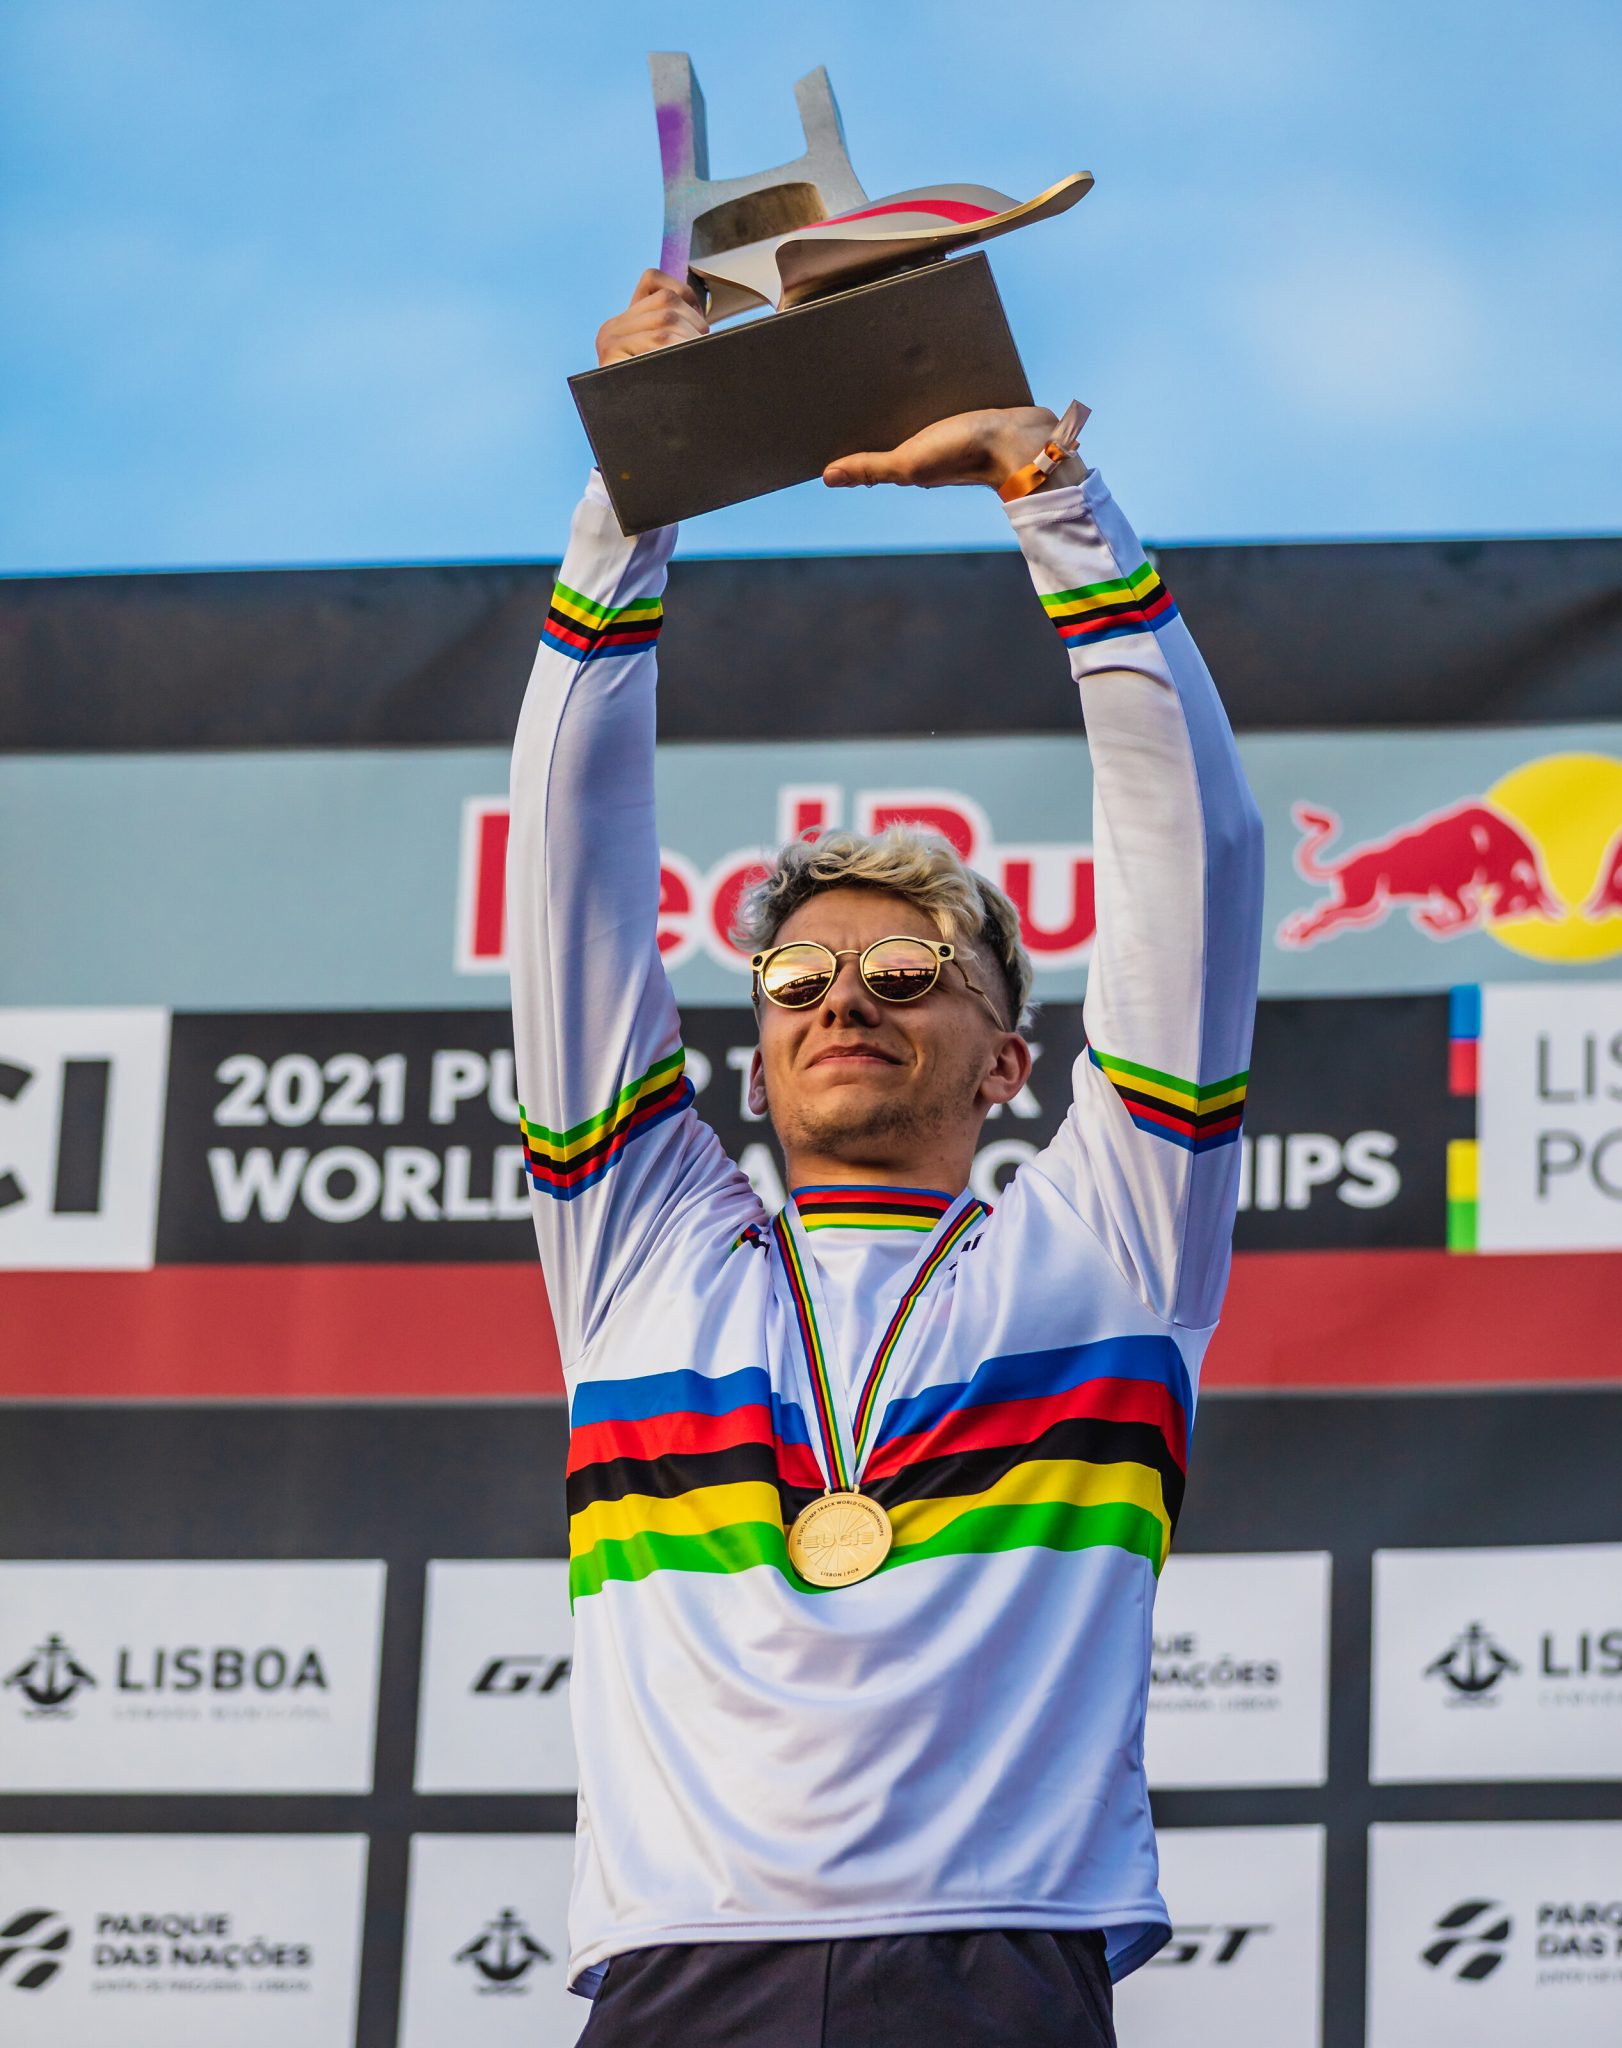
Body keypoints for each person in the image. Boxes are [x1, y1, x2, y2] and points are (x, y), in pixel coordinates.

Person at [508, 270, 1263, 2047]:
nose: (847, 996)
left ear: (1009, 1058)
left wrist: (1051, 506)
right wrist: (641, 482)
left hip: (999, 1961)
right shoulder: (638, 1243)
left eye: (912, 973)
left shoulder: (1110, 1238)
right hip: (680, 1968)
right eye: (797, 975)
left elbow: (1199, 856)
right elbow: (570, 860)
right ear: (753, 1048)